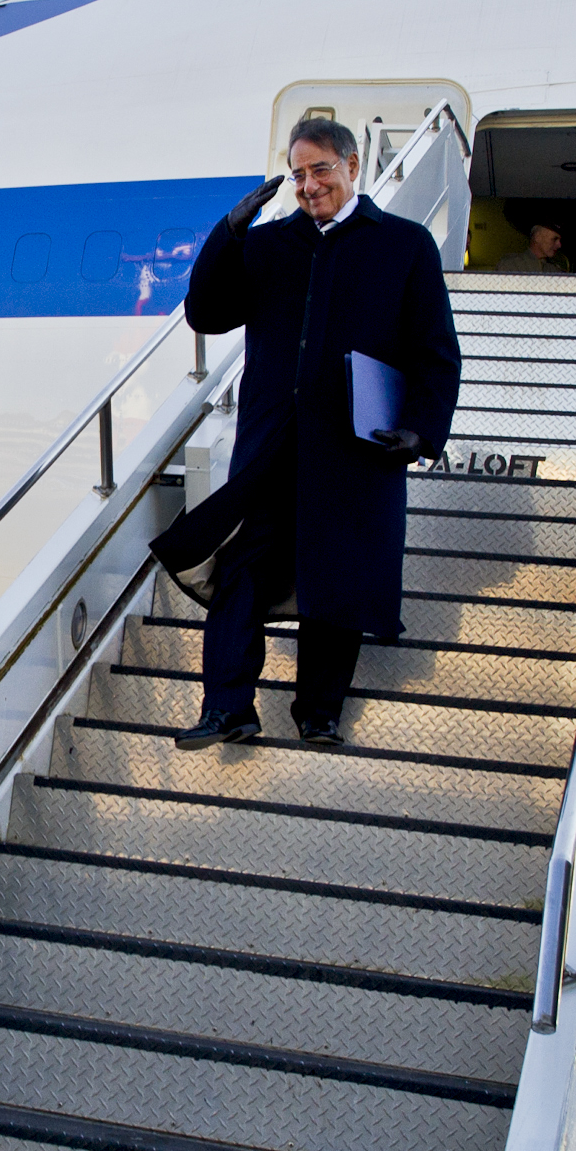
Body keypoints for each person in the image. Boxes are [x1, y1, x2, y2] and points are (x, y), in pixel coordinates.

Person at [151, 117, 462, 749]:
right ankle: (227, 707)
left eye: (321, 169)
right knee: (239, 571)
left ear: (352, 166)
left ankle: (319, 712)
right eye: (298, 174)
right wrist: (228, 235)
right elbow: (205, 313)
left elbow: (436, 352)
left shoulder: (403, 246)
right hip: (271, 448)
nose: (309, 185)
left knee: (337, 576)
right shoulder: (270, 246)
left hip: (353, 449)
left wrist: (422, 431)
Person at [495, 220, 569, 274]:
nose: (559, 245)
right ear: (537, 237)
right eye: (554, 239)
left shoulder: (556, 270)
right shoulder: (511, 265)